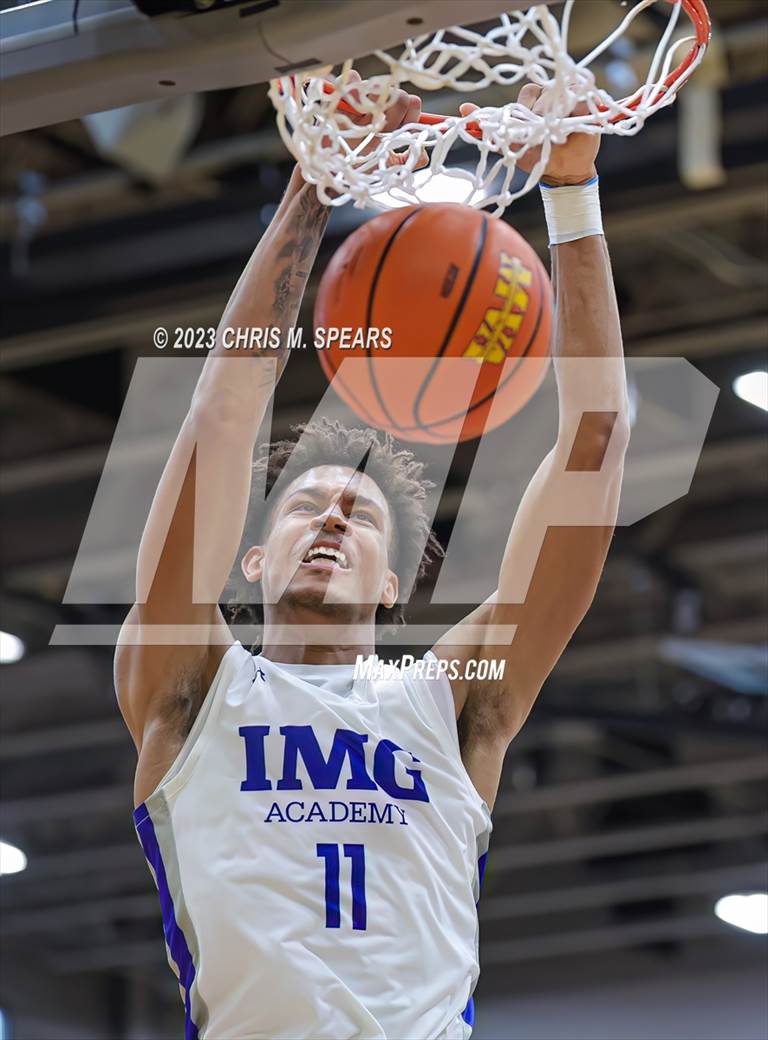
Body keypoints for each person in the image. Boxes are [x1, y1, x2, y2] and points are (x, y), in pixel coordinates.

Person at [115, 74, 629, 1040]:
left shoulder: (456, 698)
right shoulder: (190, 687)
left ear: (392, 588)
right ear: (254, 560)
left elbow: (595, 442)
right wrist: (316, 178)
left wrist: (572, 192)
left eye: (358, 515)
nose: (331, 520)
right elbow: (224, 414)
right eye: (305, 506)